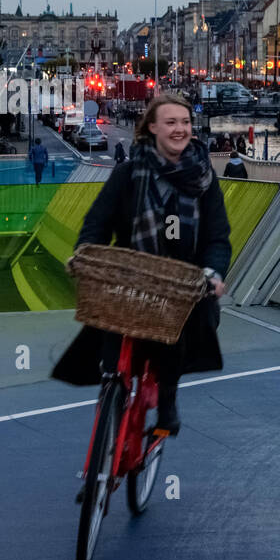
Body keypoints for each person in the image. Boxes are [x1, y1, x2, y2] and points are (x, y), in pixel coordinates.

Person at [51, 92, 231, 437]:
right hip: (130, 275)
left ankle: (168, 400)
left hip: (180, 281)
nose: (180, 129)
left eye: (185, 122)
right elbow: (97, 222)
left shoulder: (204, 181)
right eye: (171, 122)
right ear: (152, 128)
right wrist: (86, 252)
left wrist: (213, 273)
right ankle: (111, 382)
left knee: (178, 327)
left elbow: (217, 238)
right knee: (110, 321)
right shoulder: (129, 174)